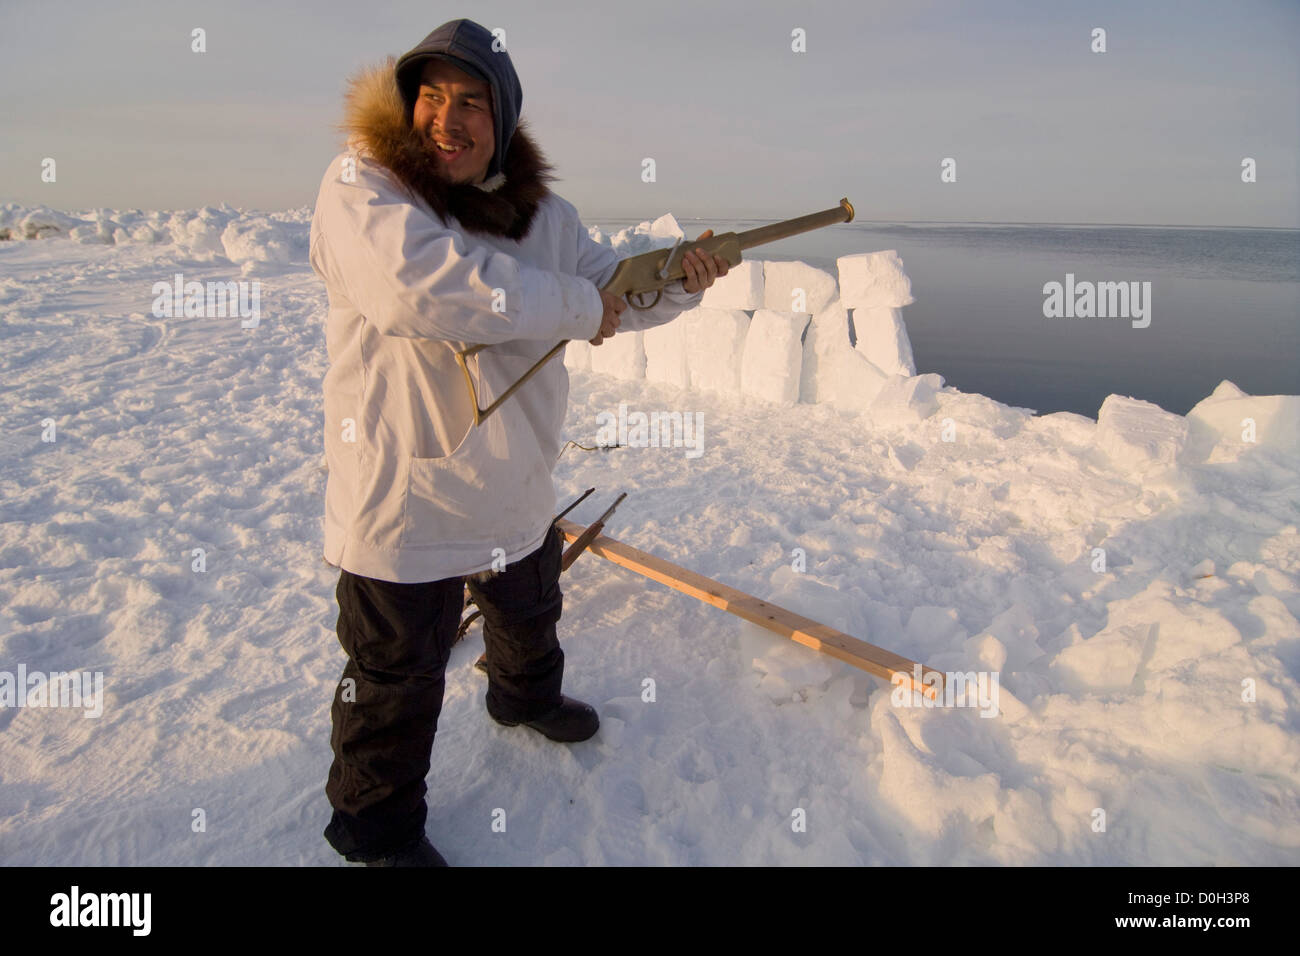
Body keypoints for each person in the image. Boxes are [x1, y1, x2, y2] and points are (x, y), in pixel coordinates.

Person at [308, 18, 729, 866]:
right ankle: (376, 829)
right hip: (405, 490)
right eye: (431, 96)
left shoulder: (549, 218)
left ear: (502, 122)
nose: (446, 119)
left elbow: (615, 290)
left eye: (471, 102)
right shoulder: (364, 188)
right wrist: (578, 306)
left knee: (530, 609)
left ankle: (522, 699)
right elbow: (419, 289)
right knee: (395, 674)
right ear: (407, 103)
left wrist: (680, 276)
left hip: (514, 480)